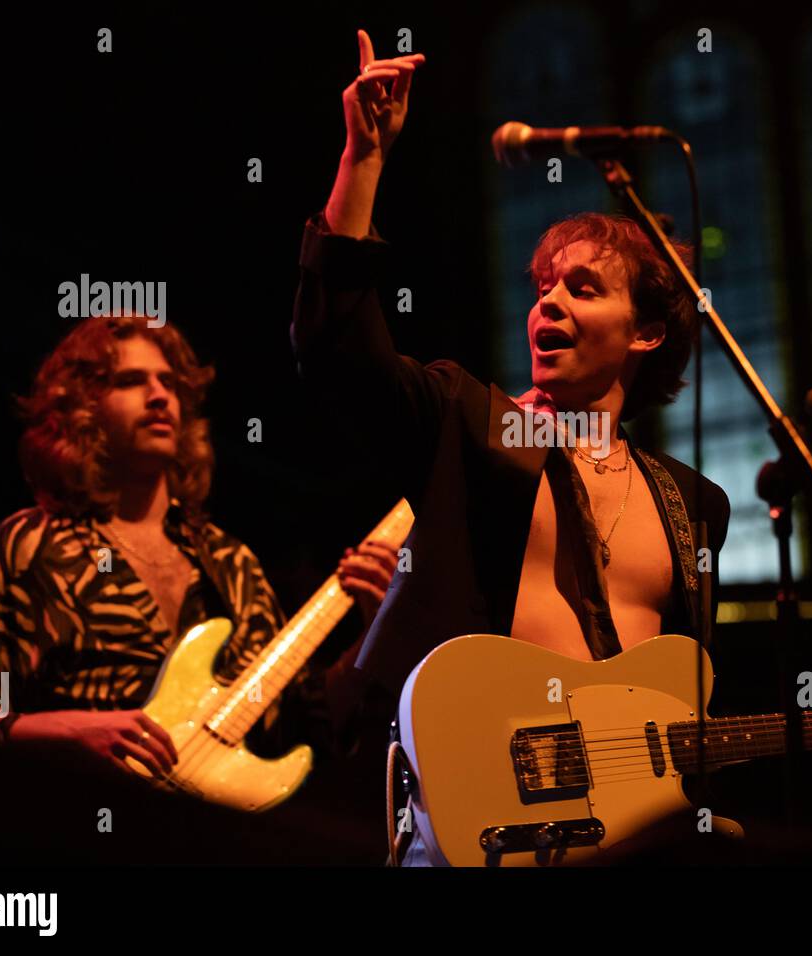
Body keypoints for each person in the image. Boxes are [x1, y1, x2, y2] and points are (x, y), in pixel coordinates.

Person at [290, 30, 731, 864]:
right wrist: (364, 160)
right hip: (484, 820)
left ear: (645, 332)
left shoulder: (695, 504)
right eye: (542, 288)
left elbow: (684, 704)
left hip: (632, 838)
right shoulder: (473, 420)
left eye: (582, 287)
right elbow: (337, 355)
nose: (549, 304)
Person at [0, 312, 397, 783]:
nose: (159, 397)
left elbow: (301, 734)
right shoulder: (30, 545)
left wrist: (372, 635)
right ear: (81, 410)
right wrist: (71, 731)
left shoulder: (229, 564)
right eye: (131, 381)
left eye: (169, 384)